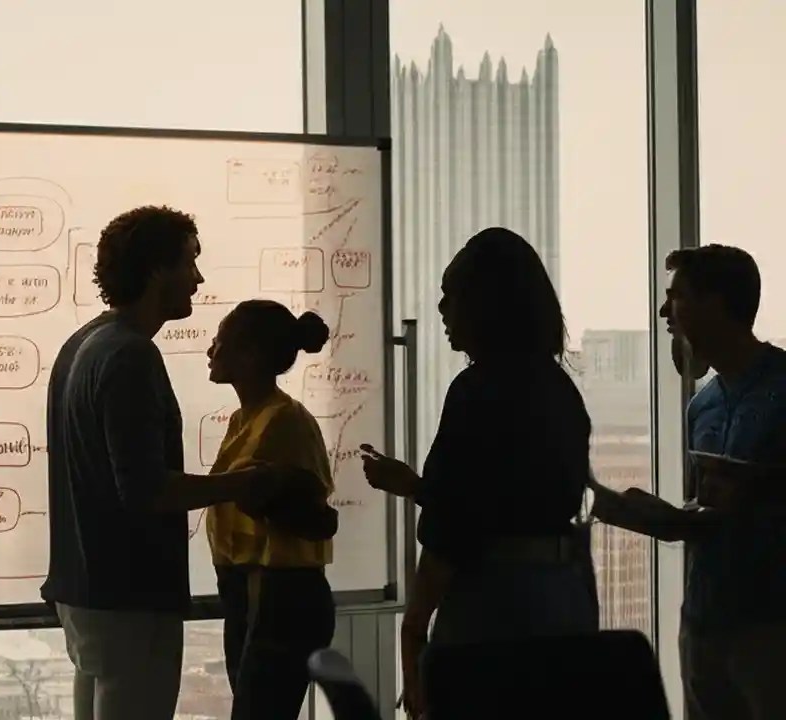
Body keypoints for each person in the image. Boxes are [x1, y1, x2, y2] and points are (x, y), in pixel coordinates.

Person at [41, 206, 291, 720]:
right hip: (128, 595)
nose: (198, 278)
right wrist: (244, 484)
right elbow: (146, 490)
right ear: (156, 269)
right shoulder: (131, 355)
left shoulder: (80, 345)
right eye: (190, 262)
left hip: (85, 590)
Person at [360, 227, 598, 718]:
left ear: (484, 304)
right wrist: (422, 488)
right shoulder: (559, 390)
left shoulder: (477, 390)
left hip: (493, 607)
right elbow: (507, 499)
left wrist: (413, 638)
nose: (443, 310)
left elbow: (457, 522)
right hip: (561, 601)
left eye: (452, 296)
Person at [590, 244, 786, 720]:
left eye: (675, 297)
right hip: (703, 625)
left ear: (716, 304)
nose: (664, 311)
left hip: (772, 626)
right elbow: (704, 510)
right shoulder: (702, 405)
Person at [204, 300, 339, 720]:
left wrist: (261, 497)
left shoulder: (285, 421)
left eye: (220, 342)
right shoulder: (243, 419)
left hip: (280, 596)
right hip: (247, 593)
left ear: (250, 356)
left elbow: (317, 516)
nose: (210, 351)